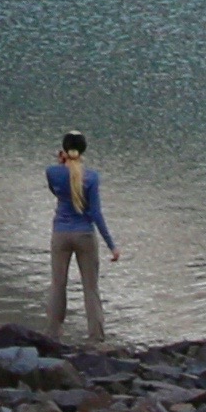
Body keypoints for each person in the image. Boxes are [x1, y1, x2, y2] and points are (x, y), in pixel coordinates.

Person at [45, 132, 116, 334]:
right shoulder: (92, 177)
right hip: (85, 234)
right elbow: (96, 213)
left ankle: (53, 335)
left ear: (64, 150)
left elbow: (57, 193)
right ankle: (96, 336)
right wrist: (111, 245)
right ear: (83, 150)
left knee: (58, 285)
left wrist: (61, 164)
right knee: (91, 288)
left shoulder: (52, 172)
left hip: (60, 234)